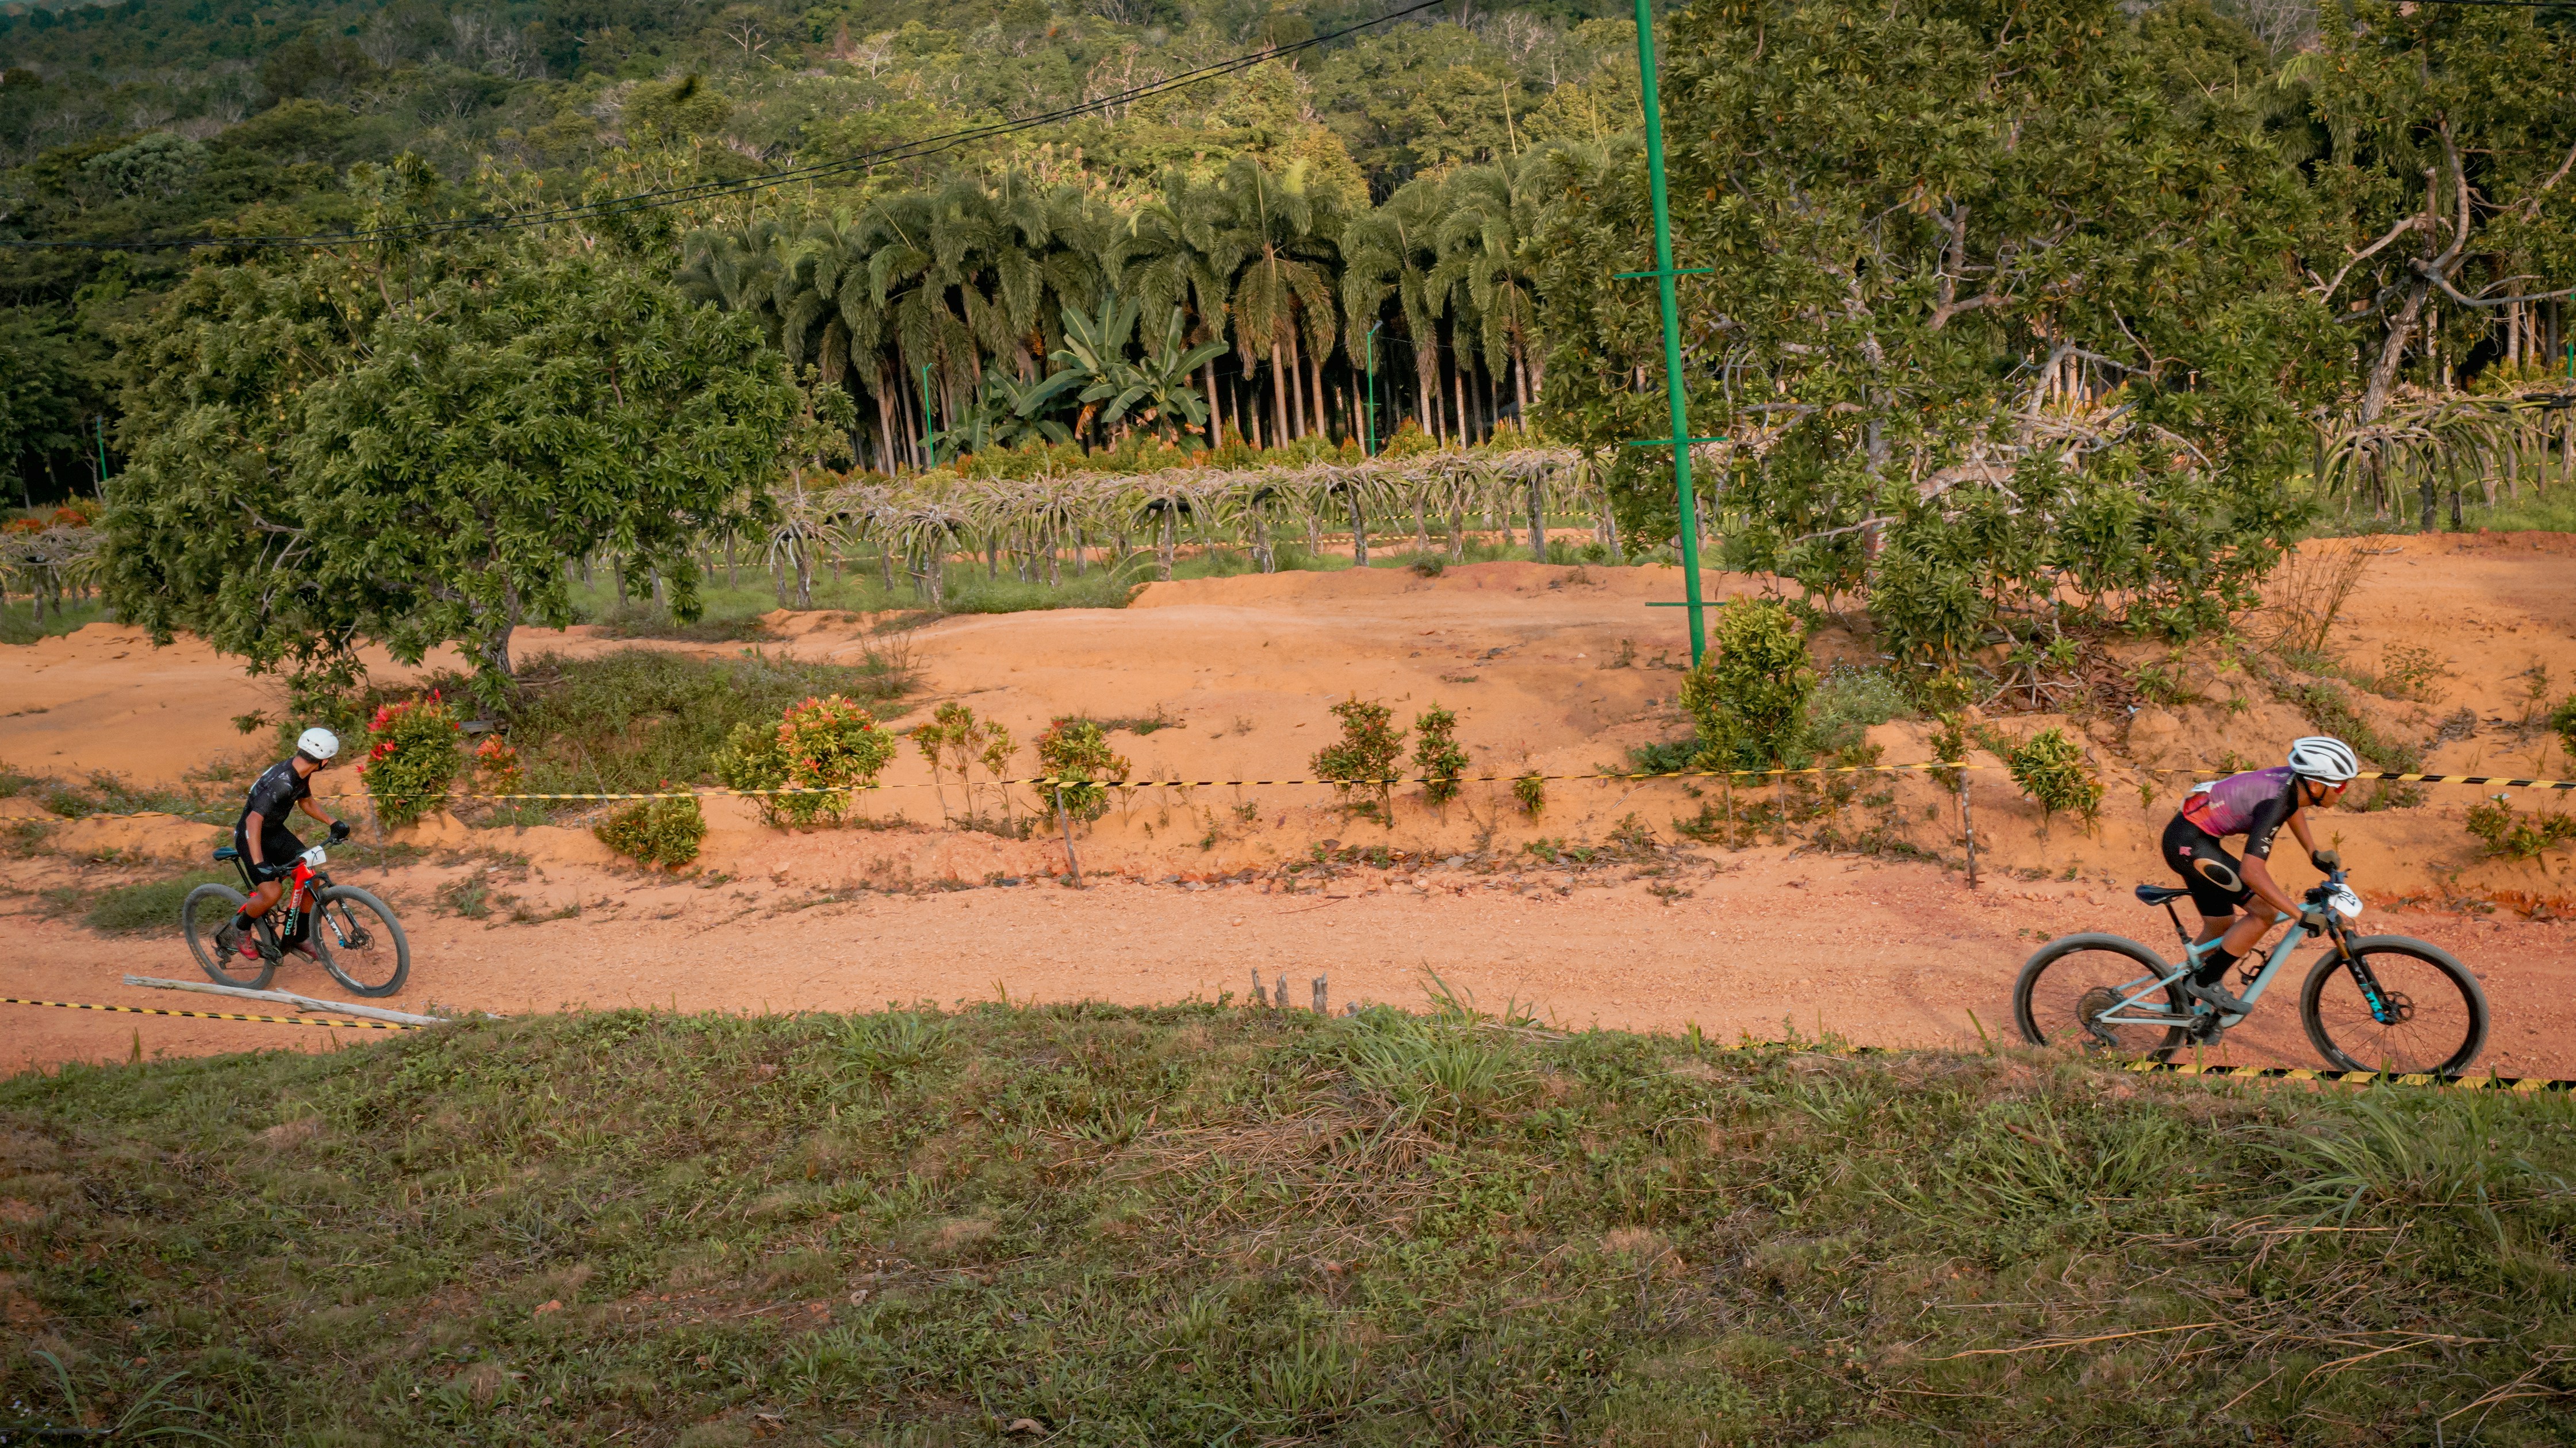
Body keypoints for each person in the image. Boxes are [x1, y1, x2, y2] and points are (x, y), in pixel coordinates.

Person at [2159, 735, 2362, 1015]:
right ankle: (2204, 983)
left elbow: (2294, 807)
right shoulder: (2275, 802)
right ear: (2315, 785)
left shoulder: (2294, 786)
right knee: (2264, 911)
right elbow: (2252, 872)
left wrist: (2312, 852)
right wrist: (2298, 915)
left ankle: (2182, 1004)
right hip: (2189, 844)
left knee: (2220, 926)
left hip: (2191, 837)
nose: (2343, 792)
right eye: (2340, 786)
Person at [216, 728, 352, 964]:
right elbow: (253, 820)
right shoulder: (283, 782)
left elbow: (306, 803)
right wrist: (260, 863)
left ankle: (299, 936)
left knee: (311, 876)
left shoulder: (300, 772)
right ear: (325, 761)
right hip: (251, 836)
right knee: (272, 892)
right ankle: (241, 928)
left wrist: (334, 822)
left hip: (274, 832)